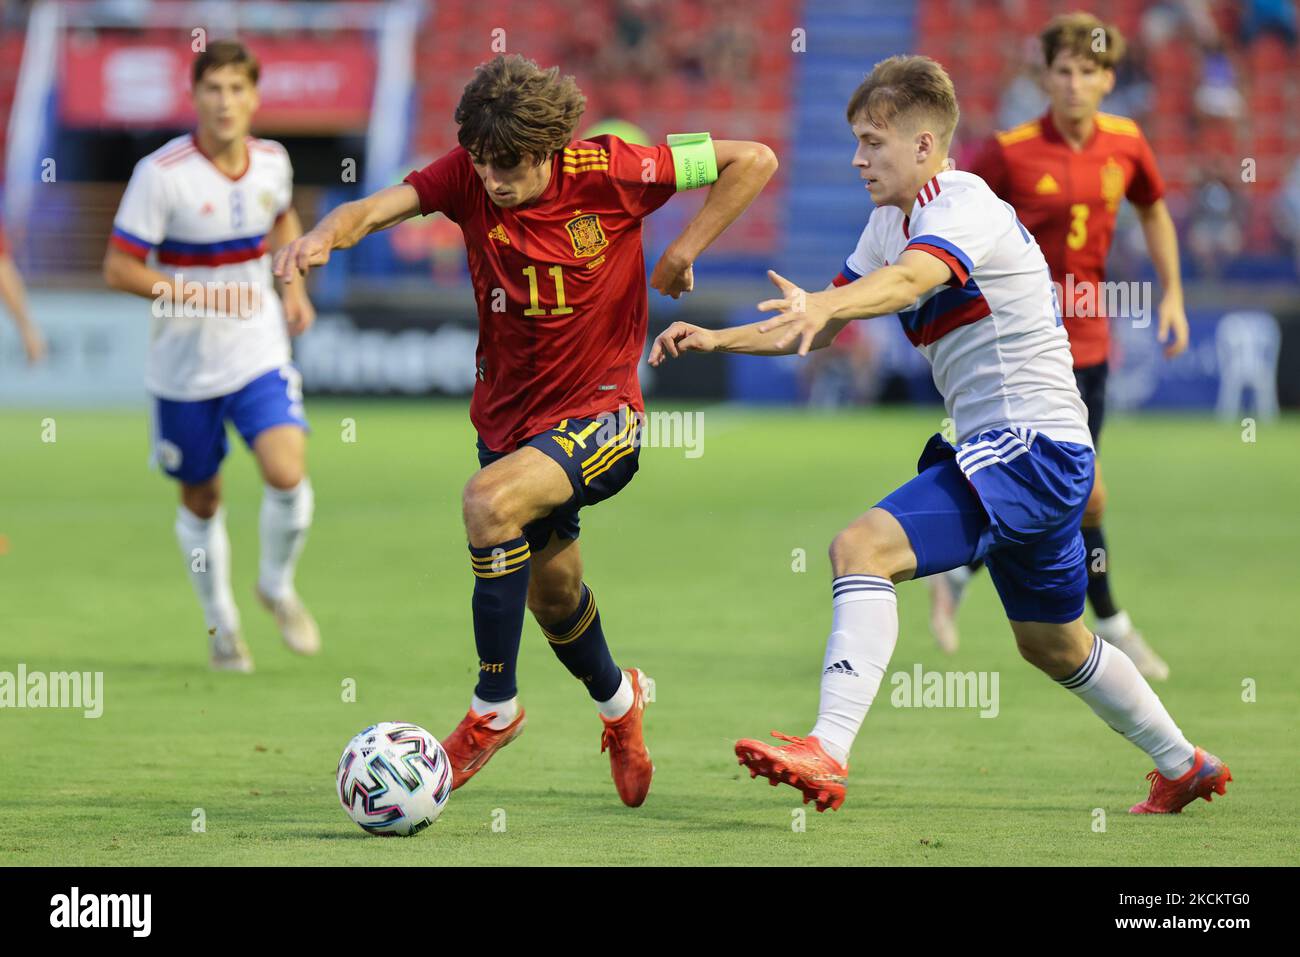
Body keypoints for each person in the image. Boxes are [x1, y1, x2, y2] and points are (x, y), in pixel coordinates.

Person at [649, 55, 1229, 815]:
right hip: (1042, 454)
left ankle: (827, 747)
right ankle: (1185, 763)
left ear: (925, 147)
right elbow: (818, 325)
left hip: (1028, 445)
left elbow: (909, 283)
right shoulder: (888, 221)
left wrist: (832, 306)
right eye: (854, 142)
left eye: (872, 142)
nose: (857, 159)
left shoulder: (963, 203)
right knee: (1051, 642)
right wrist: (720, 339)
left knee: (861, 548)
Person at [274, 54, 777, 806]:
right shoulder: (464, 176)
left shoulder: (615, 169)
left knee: (486, 503)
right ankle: (620, 702)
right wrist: (321, 238)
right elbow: (375, 208)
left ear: (547, 149)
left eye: (508, 166)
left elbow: (755, 158)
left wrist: (683, 248)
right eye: (481, 164)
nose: (493, 180)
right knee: (554, 596)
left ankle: (493, 709)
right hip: (511, 421)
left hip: (603, 413)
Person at [932, 12, 1189, 679]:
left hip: (1090, 344)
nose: (1074, 83)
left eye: (1088, 71)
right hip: (1018, 344)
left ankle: (959, 571)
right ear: (1044, 76)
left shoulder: (1127, 144)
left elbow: (1153, 207)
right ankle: (1113, 624)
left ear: (1108, 78)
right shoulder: (1009, 150)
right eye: (1062, 70)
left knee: (1067, 493)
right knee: (1083, 491)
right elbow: (949, 201)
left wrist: (1171, 293)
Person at [103, 39, 320, 672]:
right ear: (194, 96)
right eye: (213, 89)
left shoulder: (272, 162)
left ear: (254, 97)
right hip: (182, 368)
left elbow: (282, 222)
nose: (225, 102)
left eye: (236, 89)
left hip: (257, 349)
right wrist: (188, 291)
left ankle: (276, 586)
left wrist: (293, 285)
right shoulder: (161, 175)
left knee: (287, 472)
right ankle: (220, 624)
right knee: (202, 499)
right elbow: (117, 267)